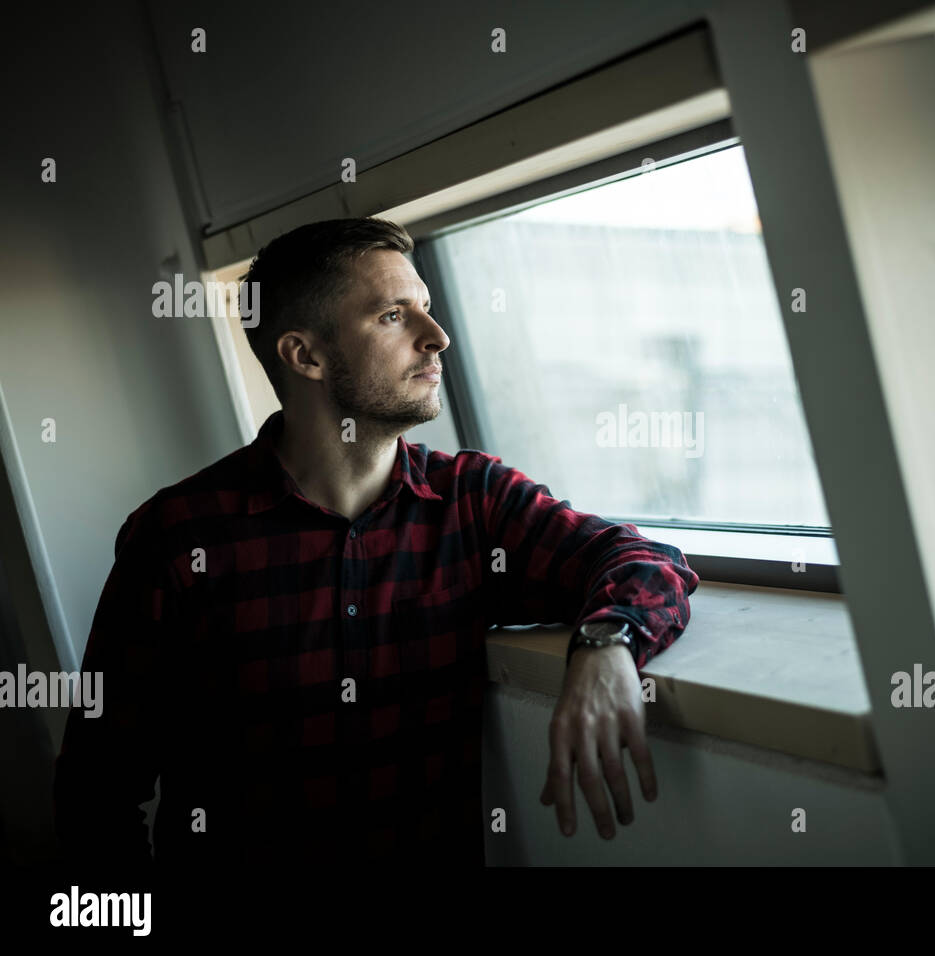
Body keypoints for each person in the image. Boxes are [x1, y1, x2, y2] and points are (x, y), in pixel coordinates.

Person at [52, 217, 698, 870]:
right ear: (305, 356)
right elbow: (95, 796)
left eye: (428, 307)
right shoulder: (177, 541)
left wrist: (605, 644)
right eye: (394, 315)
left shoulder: (472, 500)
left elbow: (646, 562)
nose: (437, 337)